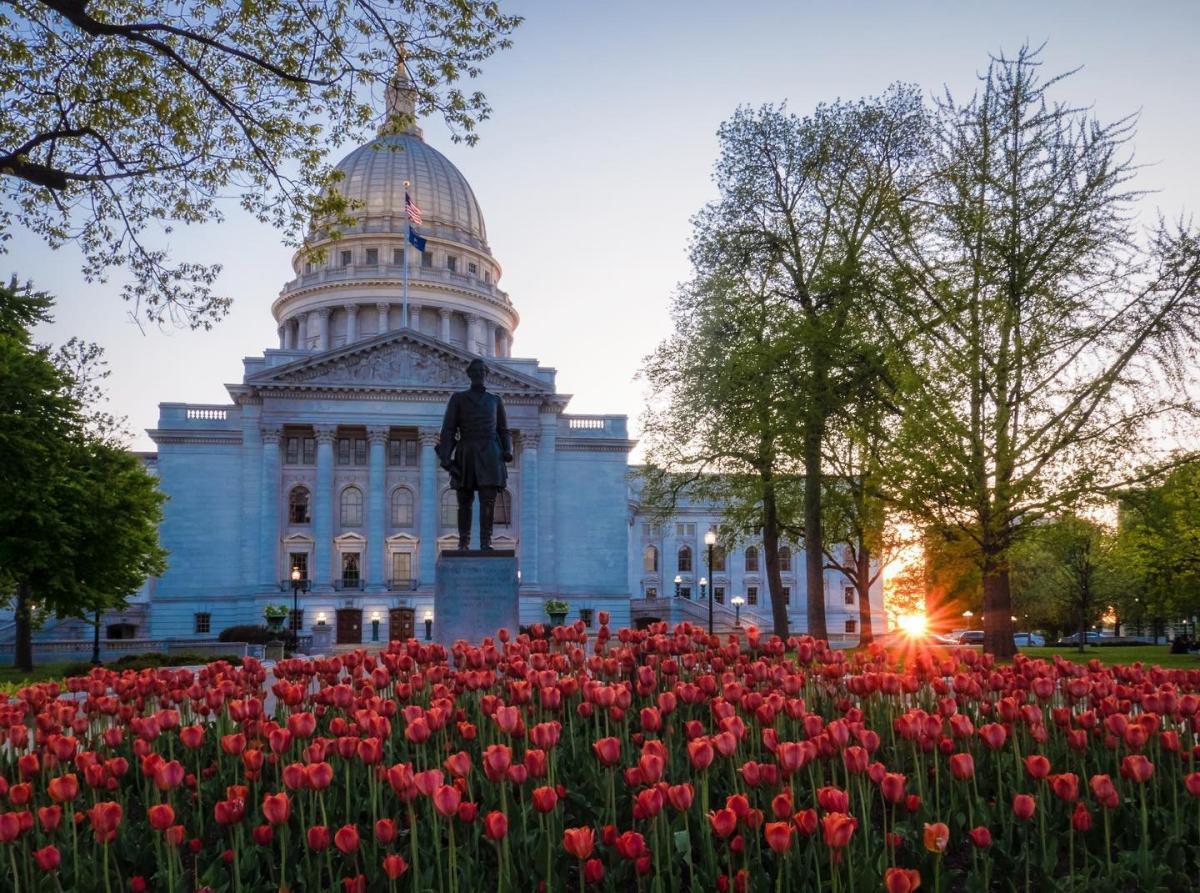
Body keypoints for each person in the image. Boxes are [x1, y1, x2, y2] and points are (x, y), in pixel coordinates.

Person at [436, 358, 513, 550]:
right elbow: (448, 428)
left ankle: (486, 542)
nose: (479, 375)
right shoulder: (458, 399)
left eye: (482, 372)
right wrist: (446, 457)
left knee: (488, 502)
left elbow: (504, 429)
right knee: (464, 502)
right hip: (466, 452)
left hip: (490, 453)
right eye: (475, 372)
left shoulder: (496, 401)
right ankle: (464, 541)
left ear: (486, 375)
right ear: (469, 374)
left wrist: (508, 450)